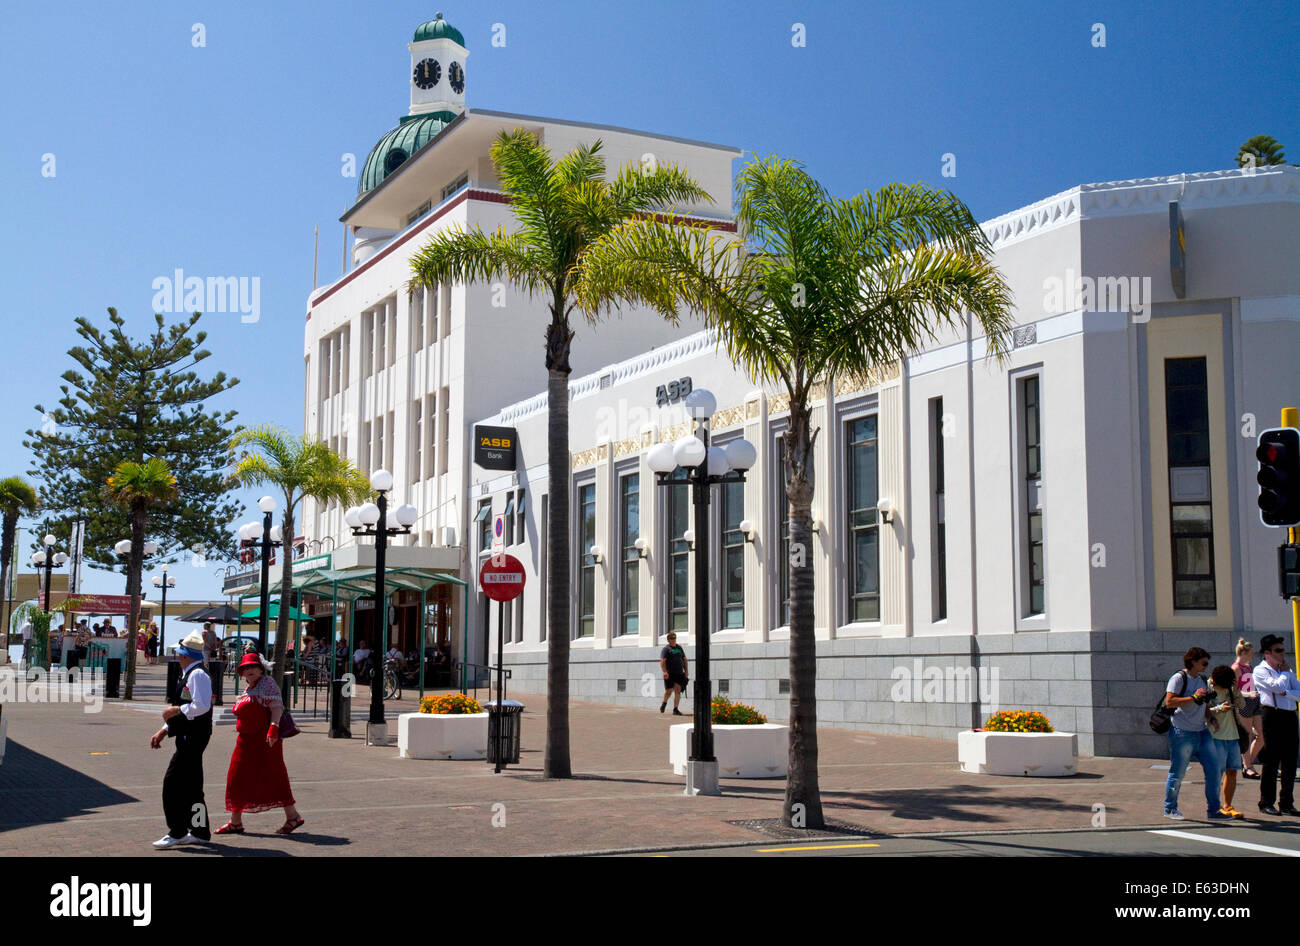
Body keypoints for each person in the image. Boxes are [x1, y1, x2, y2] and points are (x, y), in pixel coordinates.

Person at [215, 653, 303, 836]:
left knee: (274, 775)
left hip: (265, 741)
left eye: (253, 666)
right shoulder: (248, 688)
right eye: (245, 668)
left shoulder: (267, 683)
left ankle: (292, 816)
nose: (249, 670)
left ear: (261, 668)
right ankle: (235, 821)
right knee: (236, 777)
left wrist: (273, 728)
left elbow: (277, 706)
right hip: (245, 741)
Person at [149, 631, 214, 848]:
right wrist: (164, 730)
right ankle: (200, 831)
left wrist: (176, 710)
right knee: (193, 787)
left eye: (179, 654)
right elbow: (188, 708)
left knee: (173, 785)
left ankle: (177, 831)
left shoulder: (197, 675)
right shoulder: (190, 673)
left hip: (193, 737)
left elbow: (202, 705)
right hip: (189, 735)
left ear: (184, 656)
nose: (178, 658)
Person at [1162, 646, 1225, 821]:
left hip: (1202, 732)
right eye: (1203, 662)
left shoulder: (1202, 679)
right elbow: (1170, 702)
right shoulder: (1178, 678)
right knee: (1178, 772)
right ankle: (1170, 808)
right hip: (1182, 732)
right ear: (1193, 661)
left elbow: (1204, 703)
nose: (1206, 665)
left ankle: (1214, 810)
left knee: (1214, 770)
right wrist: (1193, 698)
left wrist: (1210, 717)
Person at [1252, 634, 1300, 816]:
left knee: (1290, 760)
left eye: (1283, 650)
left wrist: (1287, 692)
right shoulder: (1260, 670)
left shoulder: (1286, 670)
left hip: (1289, 715)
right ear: (1267, 653)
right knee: (1271, 760)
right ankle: (1266, 802)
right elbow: (1277, 688)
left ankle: (1287, 802)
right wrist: (1286, 676)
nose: (1282, 654)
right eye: (1278, 651)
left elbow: (1299, 692)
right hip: (1272, 714)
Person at [1206, 665, 1248, 819]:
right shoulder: (1206, 687)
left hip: (1232, 735)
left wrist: (1236, 691)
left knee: (1232, 771)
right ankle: (1214, 807)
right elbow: (1200, 711)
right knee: (1217, 773)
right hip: (1215, 736)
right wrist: (1218, 708)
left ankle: (1228, 805)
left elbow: (1242, 705)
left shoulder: (1230, 687)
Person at [1232, 638, 1263, 779]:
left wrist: (1254, 693)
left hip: (1254, 702)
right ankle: (1248, 766)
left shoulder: (1248, 667)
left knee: (1262, 735)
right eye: (1250, 653)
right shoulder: (1236, 668)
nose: (1252, 655)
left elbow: (1249, 686)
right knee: (1247, 736)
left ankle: (1248, 763)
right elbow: (1235, 691)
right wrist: (1249, 693)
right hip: (1244, 703)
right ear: (1243, 653)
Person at [659, 632, 689, 716]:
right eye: (671, 639)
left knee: (678, 690)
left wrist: (686, 671)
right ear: (668, 640)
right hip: (670, 673)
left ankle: (675, 709)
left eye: (674, 638)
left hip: (679, 673)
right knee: (669, 691)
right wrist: (664, 671)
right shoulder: (666, 649)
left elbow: (684, 660)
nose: (673, 640)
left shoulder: (679, 648)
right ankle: (664, 703)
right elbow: (662, 661)